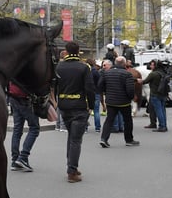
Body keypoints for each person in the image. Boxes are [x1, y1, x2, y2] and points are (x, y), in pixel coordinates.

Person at [55, 41, 94, 183]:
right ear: (78, 52)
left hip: (64, 106)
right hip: (79, 107)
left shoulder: (59, 66)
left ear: (66, 51)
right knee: (76, 140)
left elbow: (55, 86)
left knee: (71, 137)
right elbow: (89, 88)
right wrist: (91, 105)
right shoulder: (84, 67)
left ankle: (71, 166)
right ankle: (72, 171)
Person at [97, 56, 139, 148]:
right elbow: (130, 89)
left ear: (115, 63)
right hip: (124, 102)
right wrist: (130, 98)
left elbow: (100, 86)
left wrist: (106, 92)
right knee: (127, 121)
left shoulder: (106, 73)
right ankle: (129, 140)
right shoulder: (127, 74)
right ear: (124, 64)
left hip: (110, 101)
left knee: (109, 120)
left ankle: (104, 139)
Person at [8, 80, 40, 172]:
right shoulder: (27, 71)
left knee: (17, 129)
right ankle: (23, 157)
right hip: (25, 98)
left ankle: (15, 160)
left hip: (13, 95)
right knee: (34, 128)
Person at [141, 60, 169, 132]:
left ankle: (162, 126)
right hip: (163, 93)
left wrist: (138, 80)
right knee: (162, 110)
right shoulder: (164, 73)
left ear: (156, 66)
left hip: (155, 94)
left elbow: (145, 81)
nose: (150, 66)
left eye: (152, 65)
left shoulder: (153, 74)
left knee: (158, 110)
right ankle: (162, 125)